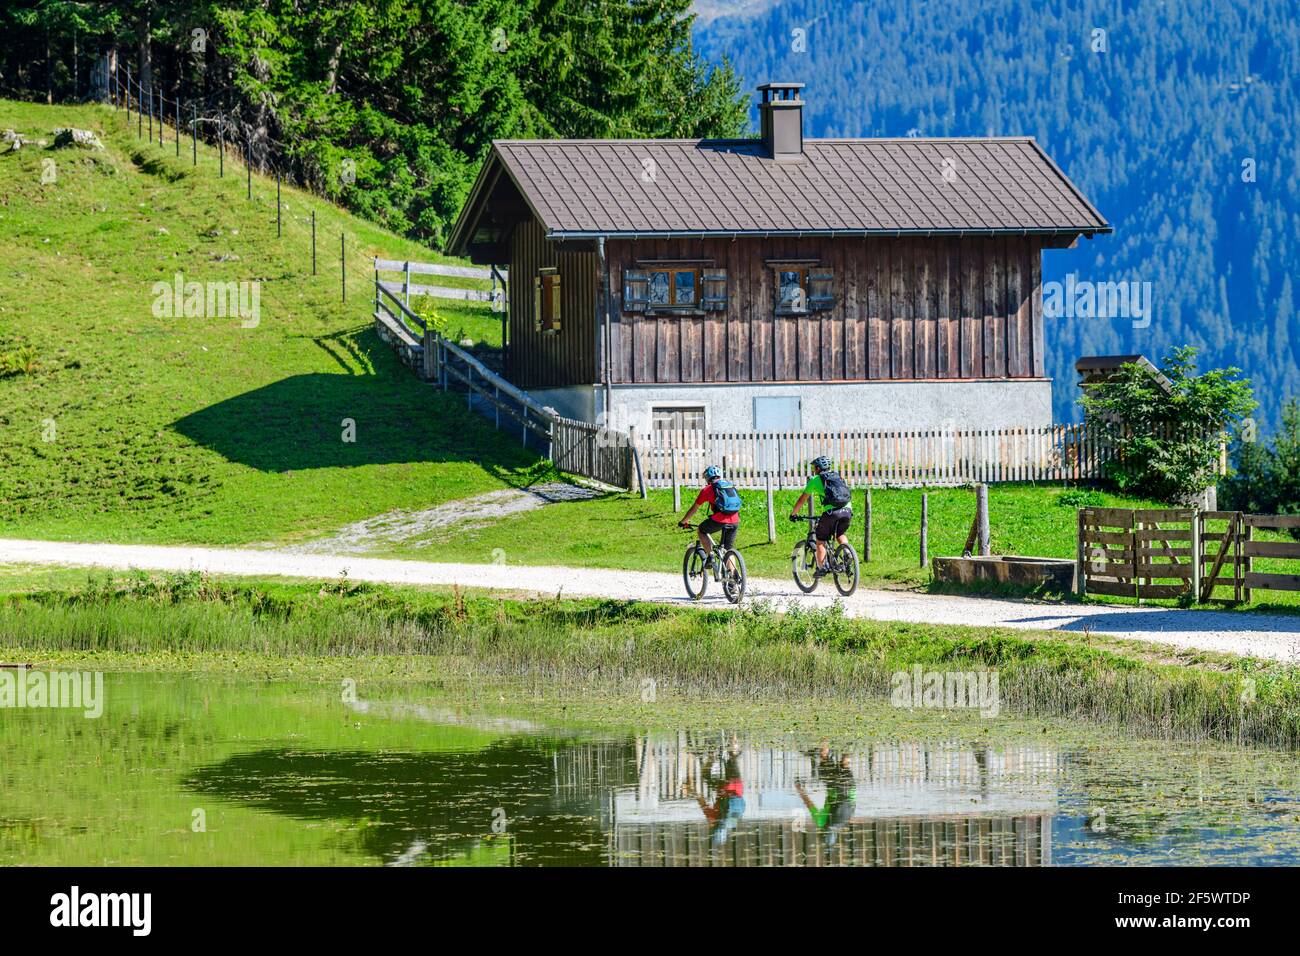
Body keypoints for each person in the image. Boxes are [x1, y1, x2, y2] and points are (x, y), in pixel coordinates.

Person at [789, 455, 853, 575]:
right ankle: (848, 553)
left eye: (814, 467)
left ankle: (822, 567)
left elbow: (802, 499)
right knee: (840, 534)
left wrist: (793, 514)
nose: (814, 470)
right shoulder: (837, 476)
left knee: (820, 540)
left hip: (831, 513)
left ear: (818, 468)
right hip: (847, 510)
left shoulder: (815, 479)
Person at [679, 465, 740, 568]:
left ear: (707, 478)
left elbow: (693, 509)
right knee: (728, 551)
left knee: (701, 530)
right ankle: (733, 577)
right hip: (735, 520)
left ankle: (711, 557)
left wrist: (683, 522)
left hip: (720, 520)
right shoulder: (729, 486)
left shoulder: (707, 490)